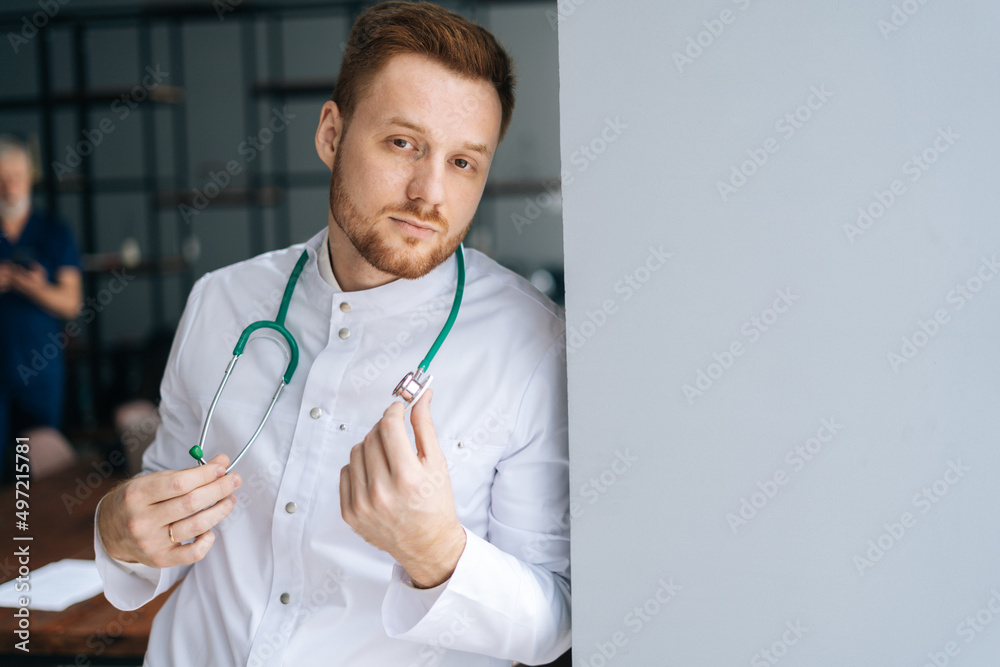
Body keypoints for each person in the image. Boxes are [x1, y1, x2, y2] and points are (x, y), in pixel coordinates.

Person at [95, 2, 571, 664]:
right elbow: (163, 523)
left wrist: (436, 552)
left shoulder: (536, 347)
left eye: (464, 163)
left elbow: (554, 619)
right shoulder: (222, 302)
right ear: (330, 133)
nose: (430, 193)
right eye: (403, 143)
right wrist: (119, 527)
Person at [0, 136, 83, 482]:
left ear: (29, 177)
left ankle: (27, 534)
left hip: (40, 370)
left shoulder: (53, 231)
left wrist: (35, 288)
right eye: (1, 179)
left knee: (36, 466)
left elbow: (72, 303)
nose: (9, 188)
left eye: (16, 177)